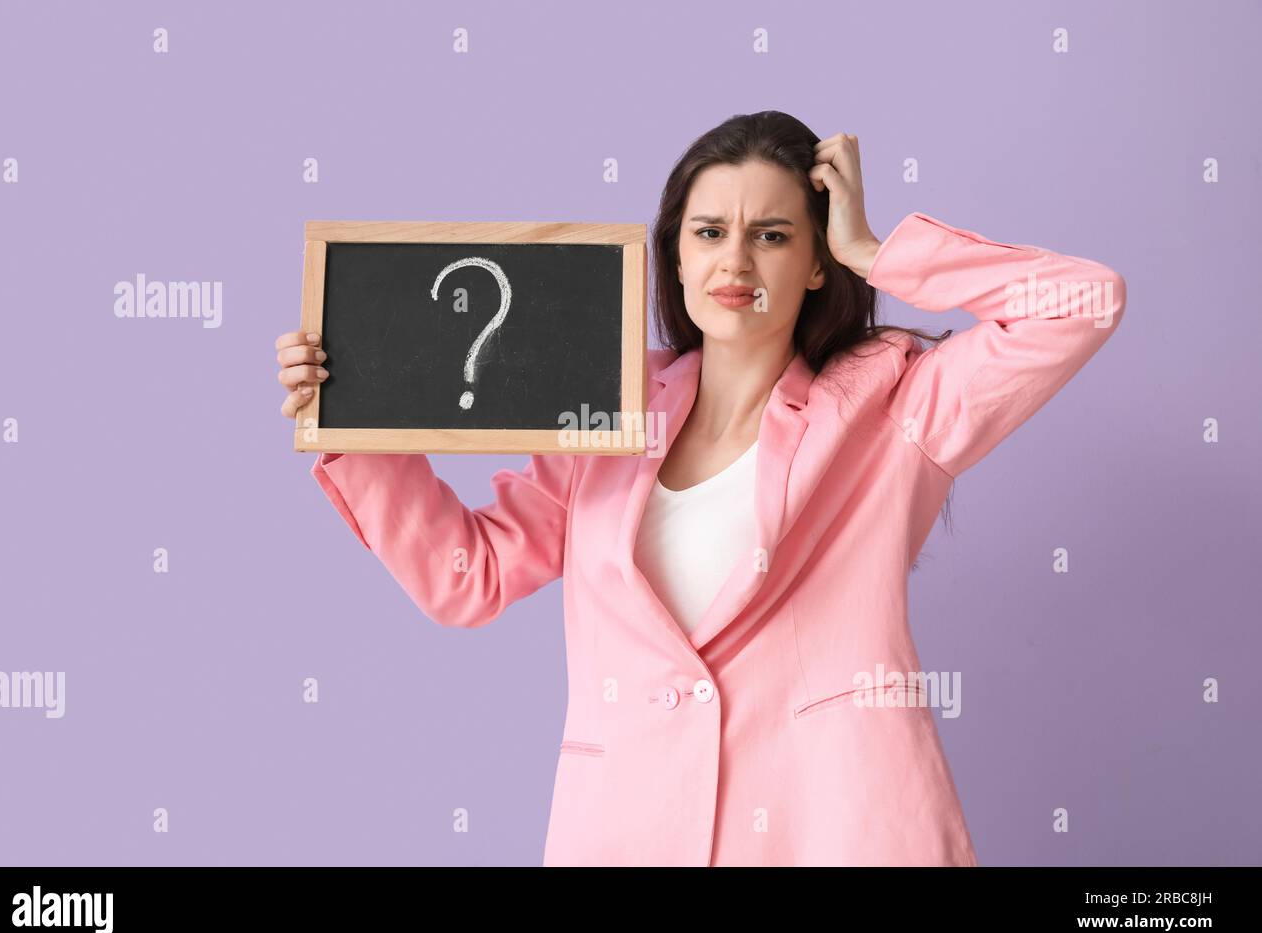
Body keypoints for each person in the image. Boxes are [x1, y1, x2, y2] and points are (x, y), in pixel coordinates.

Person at [274, 111, 1126, 866]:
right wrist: (350, 413)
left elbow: (1082, 302)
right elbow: (468, 577)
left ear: (819, 261)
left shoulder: (893, 405)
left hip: (833, 829)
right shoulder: (605, 404)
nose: (736, 259)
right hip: (630, 831)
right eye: (710, 231)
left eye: (775, 235)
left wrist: (876, 248)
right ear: (674, 254)